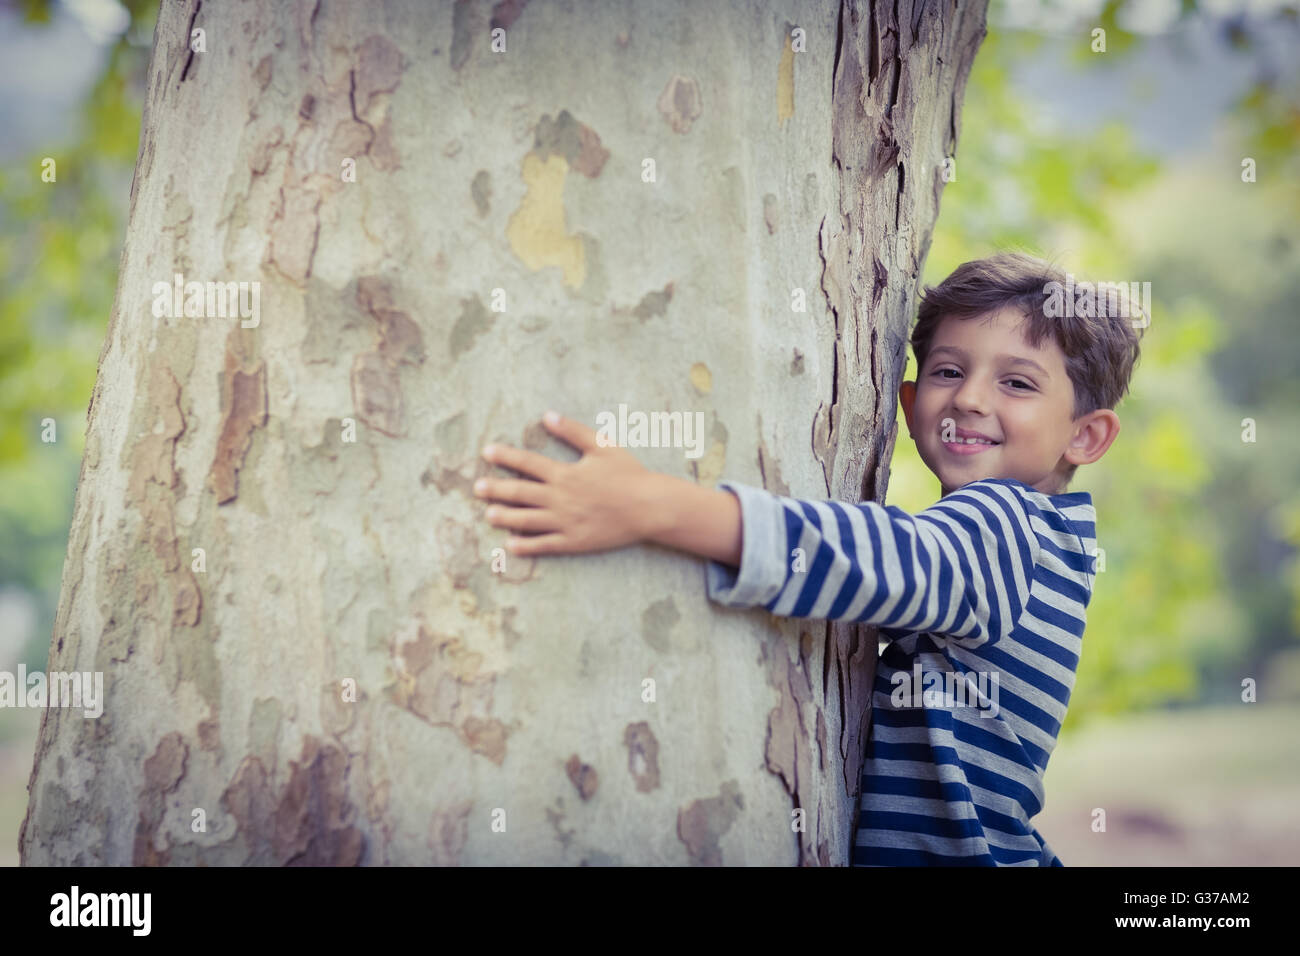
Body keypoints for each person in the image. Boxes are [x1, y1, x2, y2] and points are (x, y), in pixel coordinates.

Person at [472, 251, 1145, 865]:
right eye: (948, 371)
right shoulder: (1037, 549)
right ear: (909, 406)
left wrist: (650, 505)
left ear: (1085, 436)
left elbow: (866, 557)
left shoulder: (1011, 530)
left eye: (1018, 384)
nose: (969, 398)